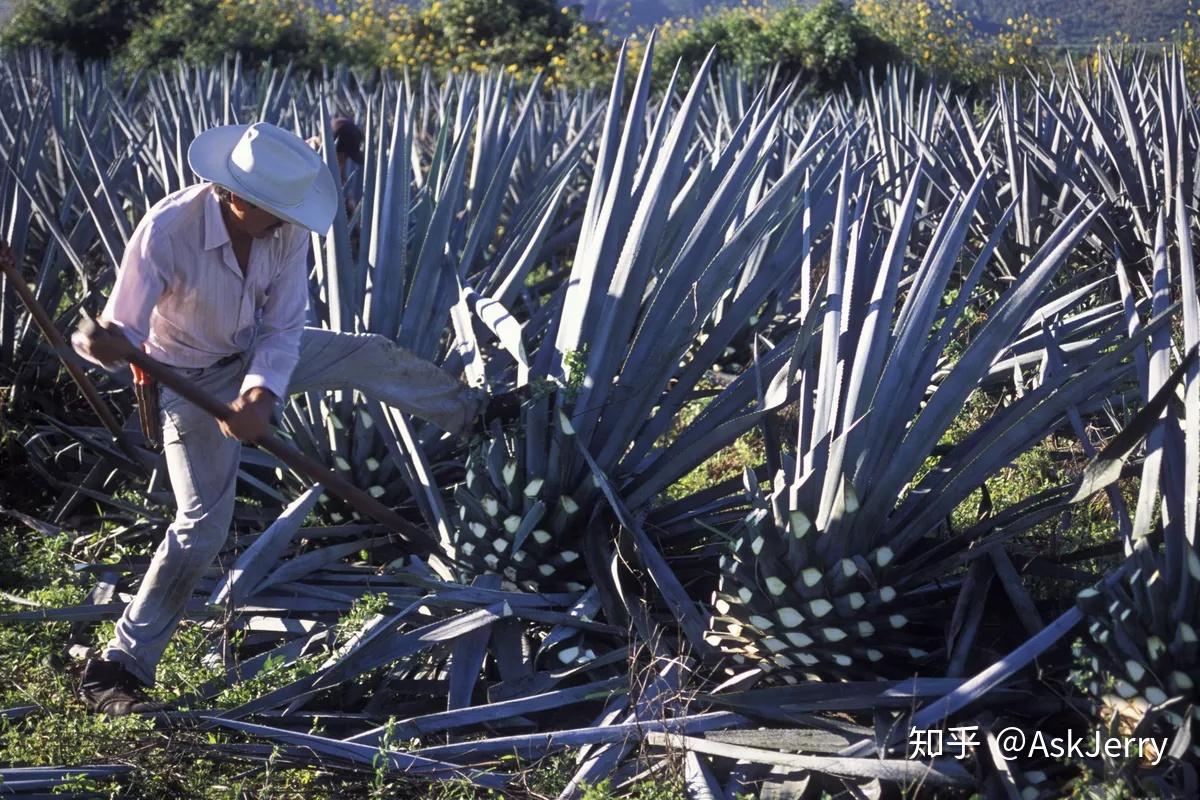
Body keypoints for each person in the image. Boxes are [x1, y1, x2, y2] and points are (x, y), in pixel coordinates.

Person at [71, 121, 518, 715]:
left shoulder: (283, 232)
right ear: (239, 197)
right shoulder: (167, 231)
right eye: (277, 209)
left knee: (368, 351)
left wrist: (259, 395)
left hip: (255, 352)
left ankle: (479, 418)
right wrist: (98, 344)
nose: (289, 219)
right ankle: (120, 665)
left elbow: (283, 329)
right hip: (190, 381)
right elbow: (123, 330)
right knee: (202, 523)